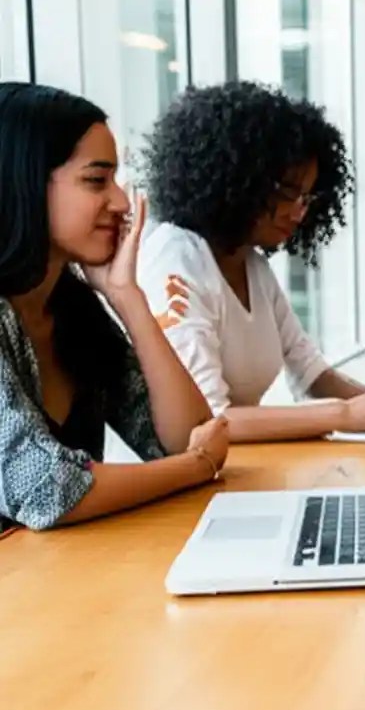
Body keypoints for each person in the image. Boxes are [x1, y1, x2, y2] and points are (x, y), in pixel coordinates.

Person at [0, 82, 228, 530]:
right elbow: (48, 492)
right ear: (22, 183)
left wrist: (128, 297)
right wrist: (198, 466)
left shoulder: (74, 310)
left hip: (57, 579)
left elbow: (186, 437)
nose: (122, 202)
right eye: (96, 180)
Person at [138, 81, 365, 443]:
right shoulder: (175, 260)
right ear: (236, 177)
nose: (299, 211)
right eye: (287, 192)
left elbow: (311, 374)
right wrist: (345, 414)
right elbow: (209, 420)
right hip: (180, 490)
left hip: (233, 472)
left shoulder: (250, 262)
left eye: (307, 196)